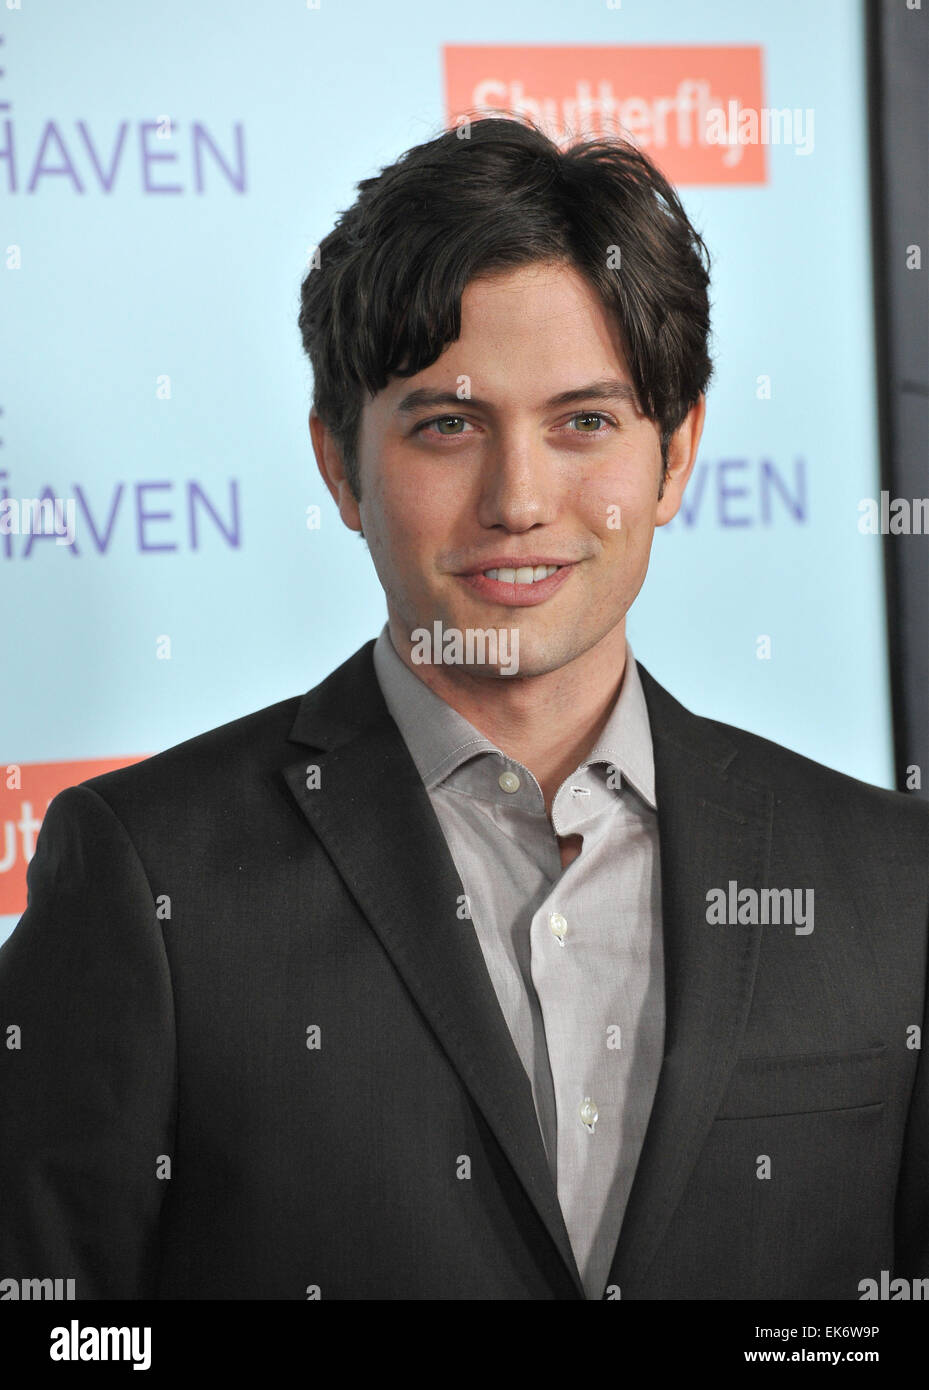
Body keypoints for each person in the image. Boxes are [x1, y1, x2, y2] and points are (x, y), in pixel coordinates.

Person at [1, 116, 926, 1301]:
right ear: (339, 464)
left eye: (582, 422)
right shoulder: (146, 878)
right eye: (448, 424)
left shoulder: (890, 881)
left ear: (675, 455)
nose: (518, 499)